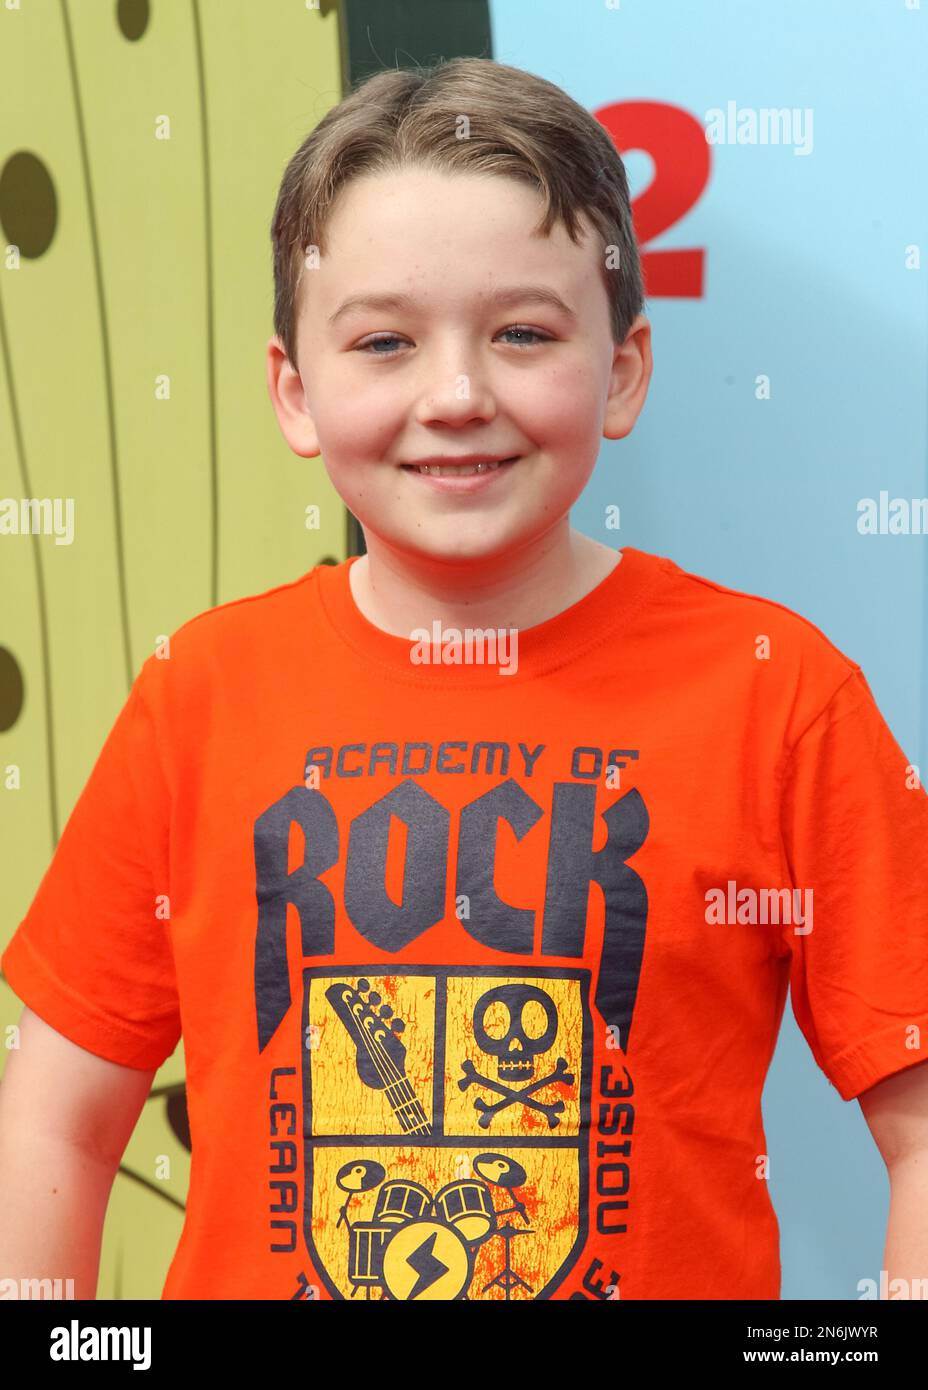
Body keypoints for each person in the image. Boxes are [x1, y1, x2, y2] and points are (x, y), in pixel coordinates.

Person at [2, 56, 927, 1303]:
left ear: (625, 369)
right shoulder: (202, 694)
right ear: (295, 391)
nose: (454, 394)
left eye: (523, 334)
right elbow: (55, 1123)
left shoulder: (776, 695)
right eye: (384, 341)